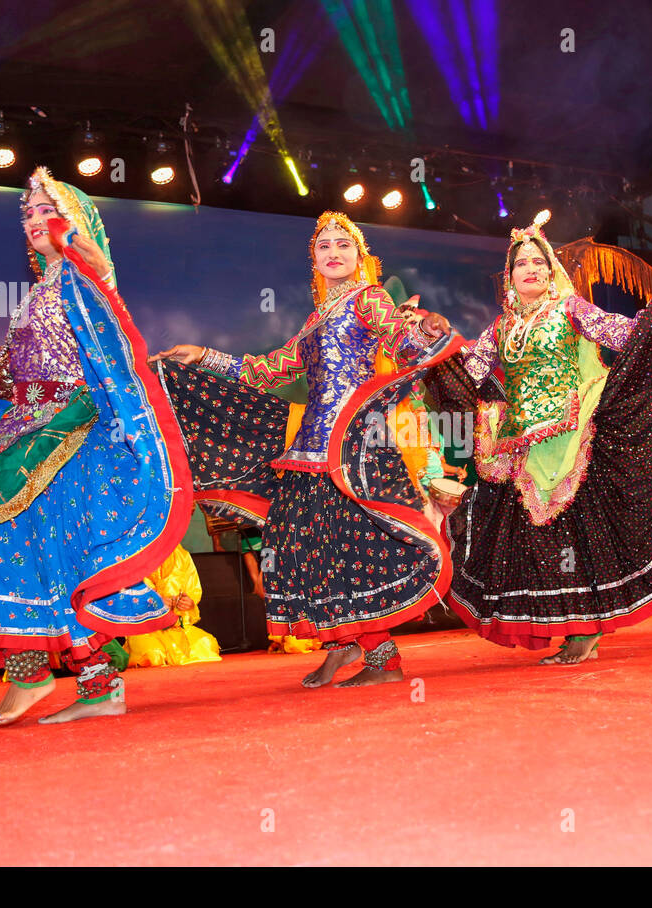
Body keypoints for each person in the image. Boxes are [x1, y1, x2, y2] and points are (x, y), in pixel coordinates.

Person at [0, 166, 192, 724]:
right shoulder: (39, 291)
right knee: (23, 546)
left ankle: (88, 681)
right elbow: (15, 377)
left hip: (69, 429)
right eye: (28, 214)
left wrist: (72, 237)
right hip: (26, 424)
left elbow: (105, 273)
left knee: (26, 540)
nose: (35, 221)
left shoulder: (83, 279)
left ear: (75, 222)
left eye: (47, 211)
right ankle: (34, 673)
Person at [152, 210, 454, 688]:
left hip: (351, 446)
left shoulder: (368, 299)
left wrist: (424, 329)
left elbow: (398, 335)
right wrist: (203, 355)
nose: (333, 253)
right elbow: (271, 369)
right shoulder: (318, 317)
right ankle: (341, 643)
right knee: (308, 547)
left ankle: (383, 656)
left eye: (343, 245)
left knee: (354, 546)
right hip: (309, 447)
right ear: (313, 258)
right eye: (324, 246)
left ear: (360, 256)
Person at [427, 216, 652, 663]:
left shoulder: (570, 309)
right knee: (540, 545)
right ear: (510, 276)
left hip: (575, 439)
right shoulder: (501, 329)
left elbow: (625, 333)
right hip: (523, 447)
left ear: (552, 268)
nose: (531, 269)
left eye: (539, 260)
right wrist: (433, 345)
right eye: (521, 264)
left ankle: (585, 631)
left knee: (579, 537)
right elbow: (469, 372)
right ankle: (568, 626)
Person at [125, 545, 222, 667]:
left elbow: (193, 592)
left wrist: (189, 603)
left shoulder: (182, 555)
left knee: (206, 644)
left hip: (177, 628)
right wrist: (155, 602)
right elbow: (127, 596)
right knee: (153, 656)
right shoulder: (133, 554)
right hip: (145, 629)